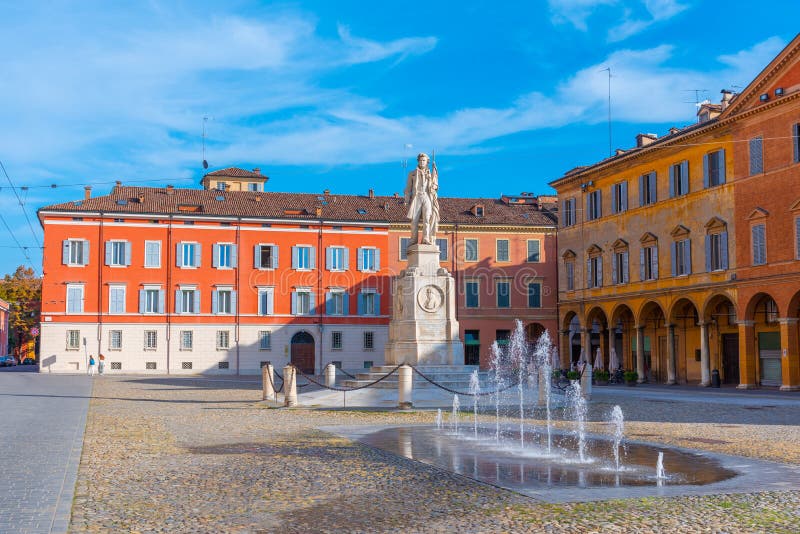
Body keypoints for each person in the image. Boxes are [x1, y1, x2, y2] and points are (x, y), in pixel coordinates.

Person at [404, 153, 440, 245]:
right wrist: (406, 200)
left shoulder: (431, 174)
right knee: (414, 220)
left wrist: (432, 182)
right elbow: (408, 188)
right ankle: (413, 239)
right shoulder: (412, 174)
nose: (422, 162)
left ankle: (426, 238)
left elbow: (435, 186)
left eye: (423, 160)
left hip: (427, 197)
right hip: (417, 197)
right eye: (420, 160)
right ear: (418, 161)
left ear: (427, 162)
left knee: (427, 219)